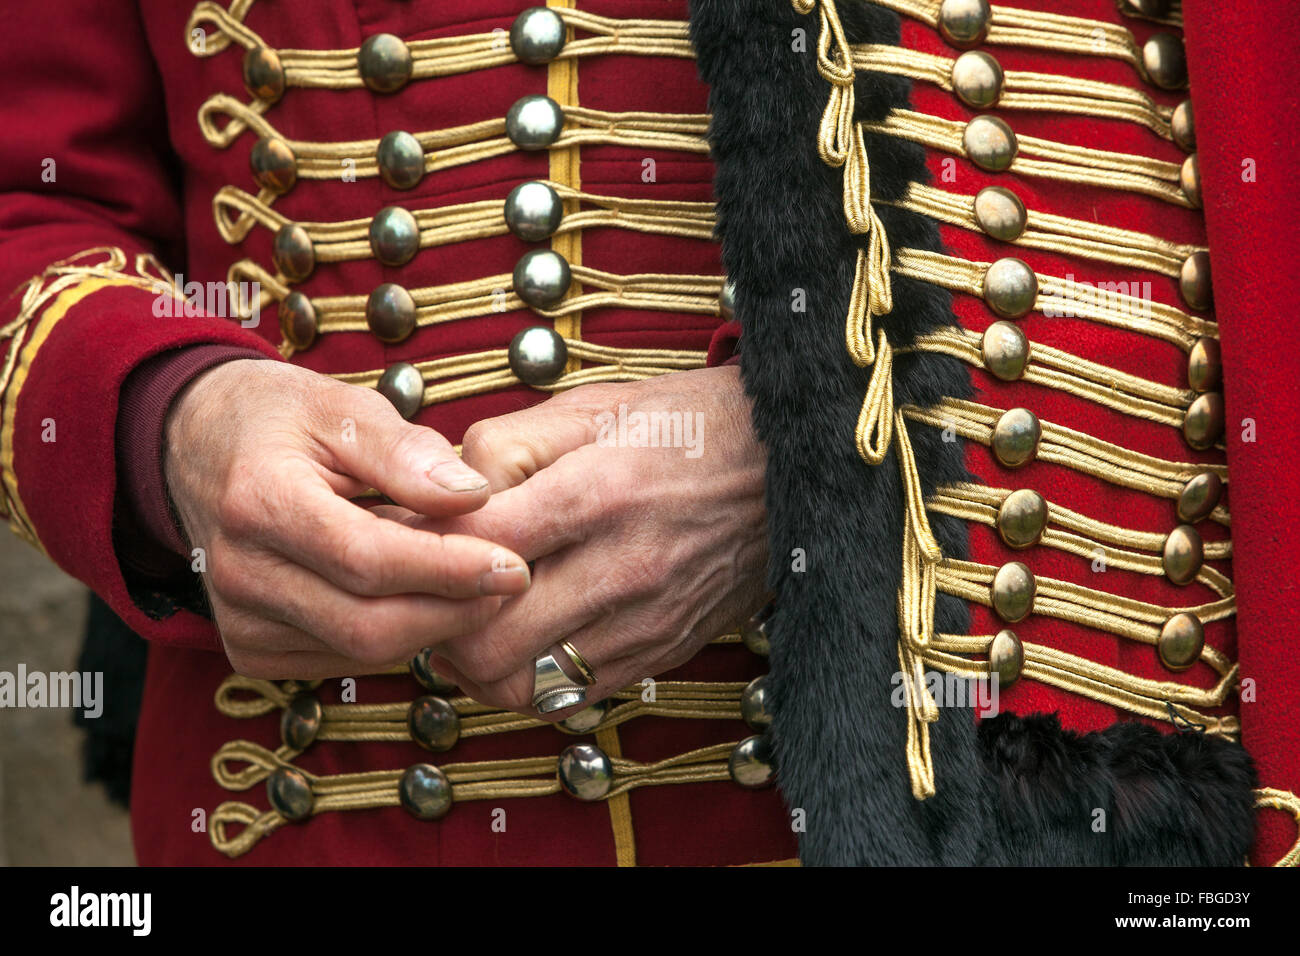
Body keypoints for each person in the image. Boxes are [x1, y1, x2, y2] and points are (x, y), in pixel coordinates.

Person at [1, 0, 1295, 866]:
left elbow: (1228, 134)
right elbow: (31, 202)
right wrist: (172, 427)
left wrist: (827, 437)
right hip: (339, 805)